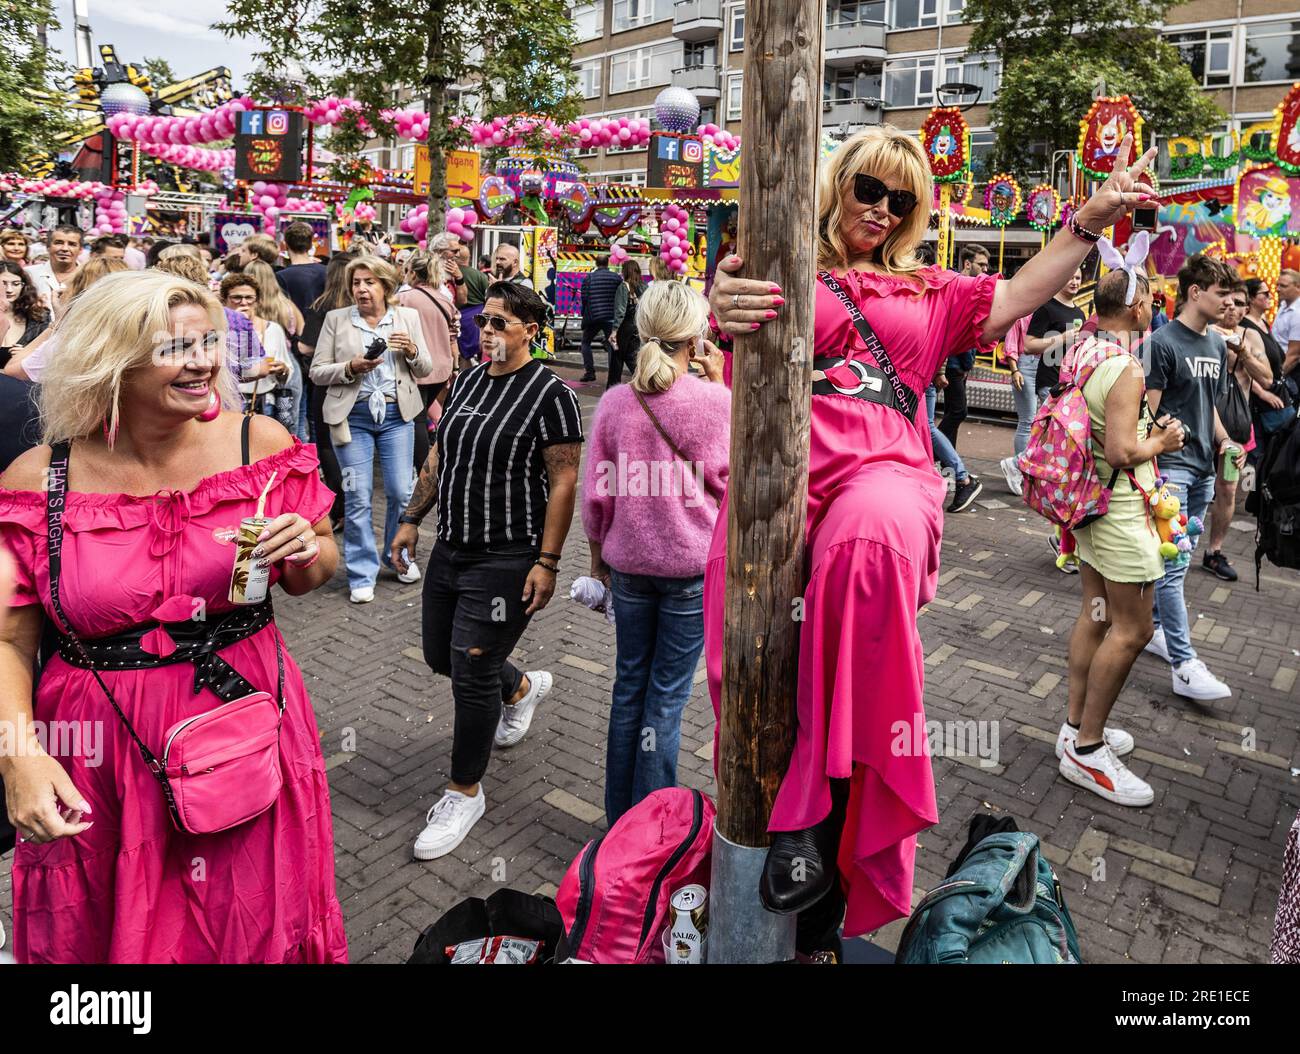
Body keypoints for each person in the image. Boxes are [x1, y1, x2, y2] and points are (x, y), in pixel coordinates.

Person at [708, 124, 1157, 941]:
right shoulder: (778, 259)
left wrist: (1087, 220)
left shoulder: (932, 290)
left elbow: (1021, 294)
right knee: (744, 634)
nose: (882, 209)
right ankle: (770, 844)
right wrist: (719, 299)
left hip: (884, 473)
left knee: (866, 550)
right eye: (868, 189)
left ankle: (810, 817)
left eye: (902, 200)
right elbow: (717, 326)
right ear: (838, 183)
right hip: (777, 479)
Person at [0, 269, 347, 962]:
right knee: (108, 933)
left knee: (245, 921)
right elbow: (9, 638)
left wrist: (308, 548)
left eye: (209, 342)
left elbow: (314, 573)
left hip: (240, 731)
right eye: (175, 348)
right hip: (97, 752)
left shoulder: (261, 445)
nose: (205, 363)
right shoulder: (41, 479)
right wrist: (19, 757)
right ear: (112, 361)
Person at [389, 281, 582, 860]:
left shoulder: (552, 394)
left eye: (499, 322)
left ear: (528, 329)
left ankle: (463, 791)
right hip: (452, 546)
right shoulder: (468, 379)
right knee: (439, 656)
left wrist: (546, 562)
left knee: (472, 671)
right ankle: (521, 687)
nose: (487, 331)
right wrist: (410, 518)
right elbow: (440, 453)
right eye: (484, 321)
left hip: (507, 555)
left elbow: (565, 480)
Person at [583, 280, 729, 824]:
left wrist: (597, 558)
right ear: (696, 335)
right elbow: (730, 483)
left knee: (628, 688)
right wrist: (722, 386)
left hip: (628, 565)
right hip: (690, 568)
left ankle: (620, 818)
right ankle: (651, 829)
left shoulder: (617, 402)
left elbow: (598, 492)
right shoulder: (716, 403)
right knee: (666, 699)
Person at [1057, 260, 1185, 807]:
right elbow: (1122, 450)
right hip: (1121, 504)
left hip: (1087, 501)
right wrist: (1164, 443)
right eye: (1151, 300)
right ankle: (1087, 752)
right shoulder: (1127, 365)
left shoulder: (1084, 350)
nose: (1154, 307)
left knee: (1096, 612)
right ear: (1135, 307)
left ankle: (1074, 726)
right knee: (1132, 629)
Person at [1141, 254, 1240, 701]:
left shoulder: (1217, 346)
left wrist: (1224, 440)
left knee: (1174, 563)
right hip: (1173, 472)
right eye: (1221, 293)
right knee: (1175, 570)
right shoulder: (1161, 343)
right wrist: (1164, 434)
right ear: (1195, 292)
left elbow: (1209, 406)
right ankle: (1184, 664)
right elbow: (1148, 410)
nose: (1228, 301)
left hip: (1203, 471)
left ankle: (1157, 631)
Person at [309, 256, 434, 603]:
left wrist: (410, 349)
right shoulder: (337, 320)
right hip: (354, 420)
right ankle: (362, 571)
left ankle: (398, 556)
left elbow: (426, 367)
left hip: (397, 416)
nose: (361, 289)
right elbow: (317, 371)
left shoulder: (408, 317)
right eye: (356, 283)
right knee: (358, 495)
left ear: (385, 285)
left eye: (369, 282)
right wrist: (351, 366)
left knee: (400, 491)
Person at [1203, 281, 1272, 582]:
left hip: (1236, 429)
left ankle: (1214, 552)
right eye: (1227, 299)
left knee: (1228, 490)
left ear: (1246, 309)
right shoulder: (1201, 330)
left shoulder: (1250, 336)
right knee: (1193, 483)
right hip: (1200, 426)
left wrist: (1242, 351)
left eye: (1240, 302)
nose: (1232, 306)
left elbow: (1267, 378)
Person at [1019, 266, 1086, 568]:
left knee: (1072, 465)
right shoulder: (1047, 306)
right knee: (1061, 463)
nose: (1074, 281)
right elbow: (1028, 344)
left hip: (1075, 389)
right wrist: (1061, 339)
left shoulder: (1082, 312)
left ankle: (1064, 537)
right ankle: (1061, 533)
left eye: (1078, 277)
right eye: (1069, 276)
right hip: (1052, 387)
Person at [4, 257, 131, 381]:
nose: (8, 289)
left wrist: (58, 323)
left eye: (15, 283)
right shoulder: (139, 333)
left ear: (79, 290)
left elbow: (12, 370)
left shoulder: (70, 339)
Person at [297, 256, 352, 530]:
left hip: (326, 383)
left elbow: (306, 347)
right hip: (355, 384)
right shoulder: (359, 309)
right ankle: (352, 503)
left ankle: (340, 506)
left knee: (328, 445)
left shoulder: (323, 306)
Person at [397, 249, 458, 469]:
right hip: (442, 369)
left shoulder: (404, 298)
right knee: (424, 417)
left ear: (412, 272)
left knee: (417, 421)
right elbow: (453, 335)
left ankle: (423, 472)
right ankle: (440, 462)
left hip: (419, 369)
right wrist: (456, 365)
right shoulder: (445, 299)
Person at [936, 244, 989, 455]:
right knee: (958, 411)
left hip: (961, 363)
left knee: (952, 411)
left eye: (987, 265)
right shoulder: (959, 288)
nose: (985, 270)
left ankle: (948, 459)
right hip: (953, 362)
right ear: (967, 264)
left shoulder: (974, 289)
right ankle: (936, 449)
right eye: (981, 265)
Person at [220, 273, 294, 420]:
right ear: (224, 300)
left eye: (249, 298)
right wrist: (239, 324)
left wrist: (282, 370)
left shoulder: (273, 329)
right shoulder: (220, 330)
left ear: (257, 301)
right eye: (236, 298)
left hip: (266, 402)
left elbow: (288, 369)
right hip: (232, 401)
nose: (243, 302)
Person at [1242, 277, 1295, 438]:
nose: (1270, 296)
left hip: (1278, 394)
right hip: (1263, 402)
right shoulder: (1245, 327)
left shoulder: (1263, 322)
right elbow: (1243, 369)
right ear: (1250, 298)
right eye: (1264, 293)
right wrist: (1262, 393)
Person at [926, 369, 983, 512]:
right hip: (935, 373)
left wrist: (940, 372)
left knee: (933, 425)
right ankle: (948, 474)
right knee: (945, 418)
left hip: (939, 372)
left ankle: (960, 477)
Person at [997, 311, 1035, 496]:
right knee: (1027, 421)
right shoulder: (1022, 314)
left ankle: (1022, 467)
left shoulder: (1047, 311)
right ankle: (1019, 470)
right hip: (1025, 368)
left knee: (1040, 424)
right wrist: (1015, 371)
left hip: (1045, 369)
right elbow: (1010, 346)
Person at [579, 253, 622, 384]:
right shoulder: (616, 278)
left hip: (594, 316)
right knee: (611, 344)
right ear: (607, 263)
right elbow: (620, 297)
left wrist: (584, 315)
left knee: (585, 342)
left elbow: (584, 299)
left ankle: (590, 372)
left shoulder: (589, 278)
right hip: (610, 317)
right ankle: (613, 374)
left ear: (596, 263)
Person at [0, 263, 50, 372]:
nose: (9, 289)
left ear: (24, 286)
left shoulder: (39, 318)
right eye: (3, 284)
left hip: (21, 384)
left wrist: (29, 355)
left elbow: (49, 358)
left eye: (15, 284)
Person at [276, 222, 327, 318]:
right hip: (323, 328)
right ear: (311, 245)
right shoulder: (327, 271)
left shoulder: (281, 276)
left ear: (286, 245)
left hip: (296, 329)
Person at [25, 225, 83, 309]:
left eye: (72, 244)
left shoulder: (91, 277)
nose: (65, 248)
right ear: (48, 247)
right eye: (59, 243)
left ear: (80, 250)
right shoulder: (29, 274)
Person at [607, 259, 643, 388]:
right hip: (638, 327)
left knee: (616, 360)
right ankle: (644, 381)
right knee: (632, 357)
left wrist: (614, 331)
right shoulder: (643, 286)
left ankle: (612, 389)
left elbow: (620, 310)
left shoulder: (623, 287)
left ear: (625, 271)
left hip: (624, 328)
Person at [1272, 268, 1300, 385]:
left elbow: (1294, 355)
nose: (1278, 289)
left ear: (1298, 287)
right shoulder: (1283, 304)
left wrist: (1276, 381)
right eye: (1278, 285)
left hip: (1291, 372)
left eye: (1283, 286)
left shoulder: (1298, 312)